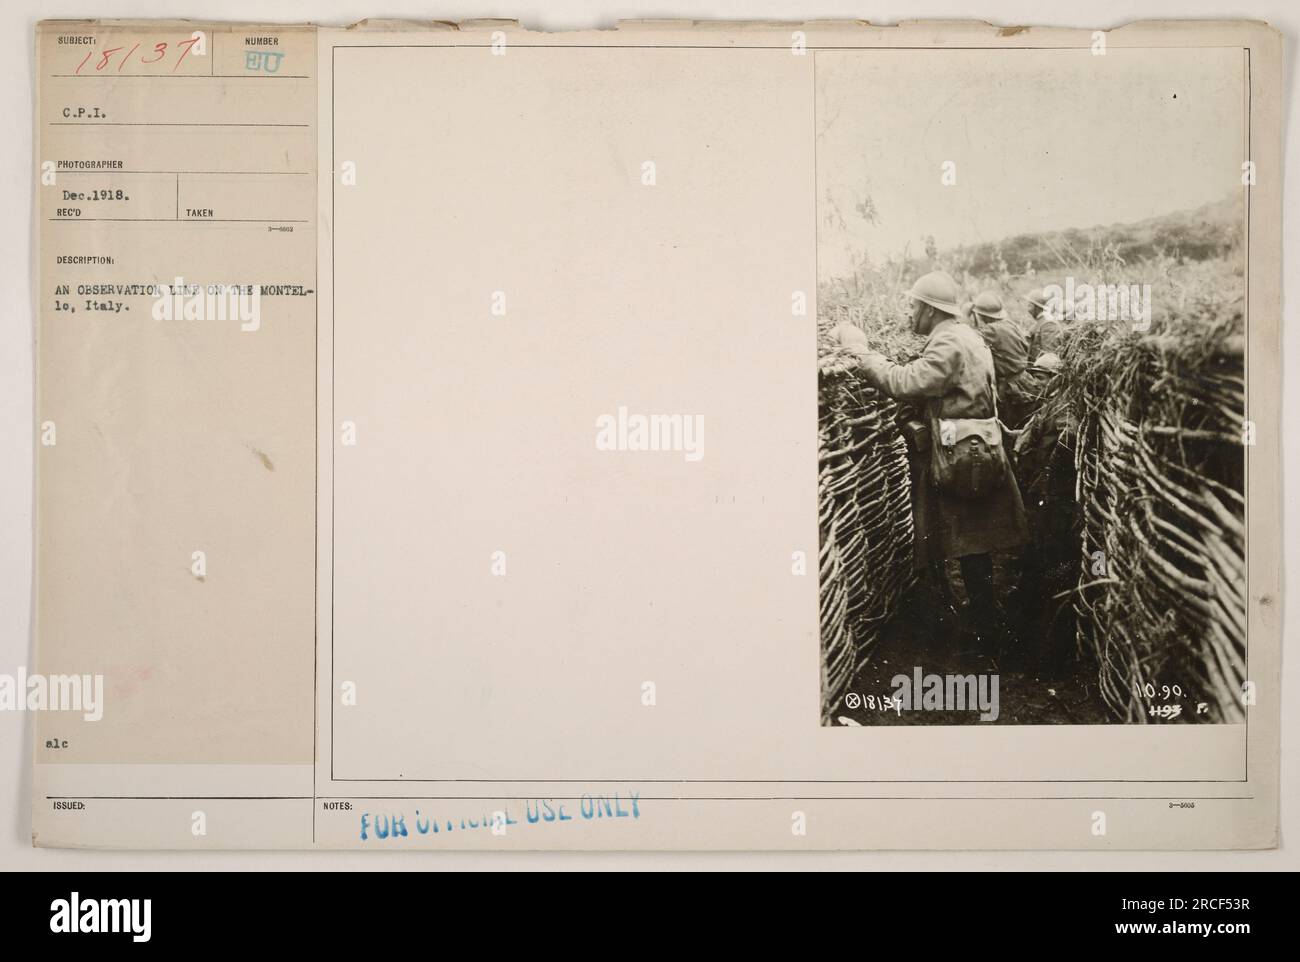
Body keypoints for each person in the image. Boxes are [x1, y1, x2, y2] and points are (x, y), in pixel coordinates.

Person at [835, 271, 1029, 653]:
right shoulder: (964, 336)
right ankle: (982, 622)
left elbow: (905, 382)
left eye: (913, 305)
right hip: (973, 452)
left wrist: (862, 354)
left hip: (959, 458)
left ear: (928, 309)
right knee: (974, 543)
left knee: (966, 541)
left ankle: (979, 631)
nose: (910, 312)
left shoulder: (950, 343)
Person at [967, 290, 1042, 430]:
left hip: (1011, 390)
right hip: (1026, 382)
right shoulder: (1010, 324)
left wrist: (965, 315)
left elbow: (965, 339)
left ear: (981, 315)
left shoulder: (991, 331)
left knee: (1009, 429)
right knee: (1026, 428)